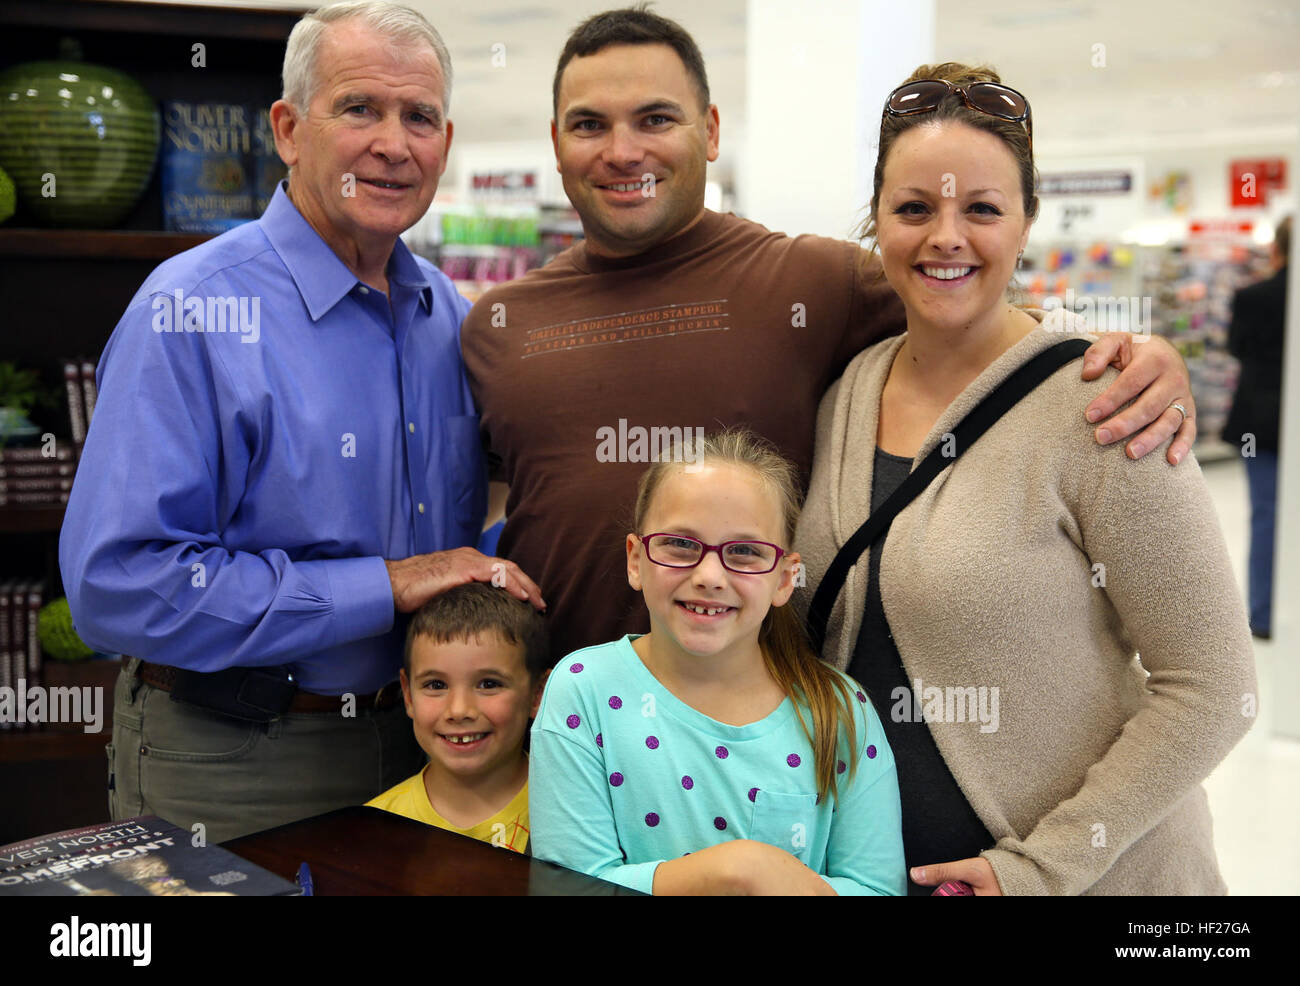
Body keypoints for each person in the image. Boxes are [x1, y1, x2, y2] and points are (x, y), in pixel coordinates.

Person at [461, 6, 1202, 663]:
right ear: (555, 141)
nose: (623, 151)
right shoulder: (500, 324)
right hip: (552, 733)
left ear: (710, 130)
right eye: (590, 124)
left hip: (759, 742)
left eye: (655, 119)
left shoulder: (810, 282)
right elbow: (489, 504)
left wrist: (1128, 355)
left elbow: (969, 301)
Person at [59, 1, 541, 845]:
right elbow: (117, 585)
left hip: (430, 753)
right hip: (239, 755)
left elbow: (449, 536)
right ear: (288, 129)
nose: (393, 143)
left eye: (419, 117)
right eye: (359, 108)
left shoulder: (444, 317)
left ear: (445, 143)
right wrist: (382, 584)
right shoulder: (192, 311)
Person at [794, 63, 1257, 895]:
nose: (946, 237)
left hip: (1098, 882)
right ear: (877, 222)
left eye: (981, 209)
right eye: (914, 209)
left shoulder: (1109, 404)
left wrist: (1039, 870)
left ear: (1026, 221)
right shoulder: (845, 396)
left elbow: (1215, 688)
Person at [530, 429, 905, 895]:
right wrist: (738, 870)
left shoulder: (842, 712)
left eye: (745, 552)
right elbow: (565, 888)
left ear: (786, 579)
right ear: (635, 559)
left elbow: (879, 889)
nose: (710, 576)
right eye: (680, 545)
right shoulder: (582, 691)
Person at [367, 583, 549, 853]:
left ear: (537, 694)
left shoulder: (577, 815)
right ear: (407, 695)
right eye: (436, 685)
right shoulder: (372, 827)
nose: (459, 710)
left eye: (489, 684)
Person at [1223, 216, 1290, 639]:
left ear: (1277, 249)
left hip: (1258, 425)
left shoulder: (1253, 297)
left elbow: (1236, 347)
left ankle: (1263, 616)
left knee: (1265, 515)